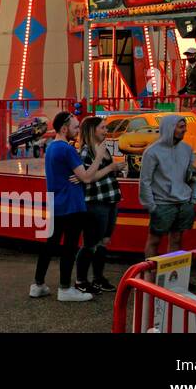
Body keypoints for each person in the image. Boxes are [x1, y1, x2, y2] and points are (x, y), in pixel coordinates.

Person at [30, 111, 113, 302]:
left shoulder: (51, 147)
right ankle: (65, 288)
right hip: (71, 204)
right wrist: (99, 157)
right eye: (75, 127)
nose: (78, 131)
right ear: (64, 128)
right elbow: (86, 176)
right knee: (70, 246)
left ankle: (38, 284)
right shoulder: (67, 149)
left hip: (57, 202)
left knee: (50, 244)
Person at [74, 116, 125, 294]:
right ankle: (81, 279)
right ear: (92, 130)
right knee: (90, 243)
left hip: (110, 198)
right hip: (96, 201)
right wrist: (111, 168)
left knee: (104, 241)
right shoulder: (86, 152)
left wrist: (116, 169)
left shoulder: (103, 148)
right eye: (102, 128)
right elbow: (87, 177)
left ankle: (98, 278)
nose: (106, 131)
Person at [139, 114, 196, 259]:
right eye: (181, 127)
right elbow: (145, 181)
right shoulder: (152, 152)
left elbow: (193, 176)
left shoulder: (187, 149)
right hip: (162, 204)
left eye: (185, 127)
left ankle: (171, 279)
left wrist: (194, 198)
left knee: (177, 239)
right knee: (154, 240)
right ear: (170, 128)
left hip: (184, 202)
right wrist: (151, 206)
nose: (184, 130)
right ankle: (150, 276)